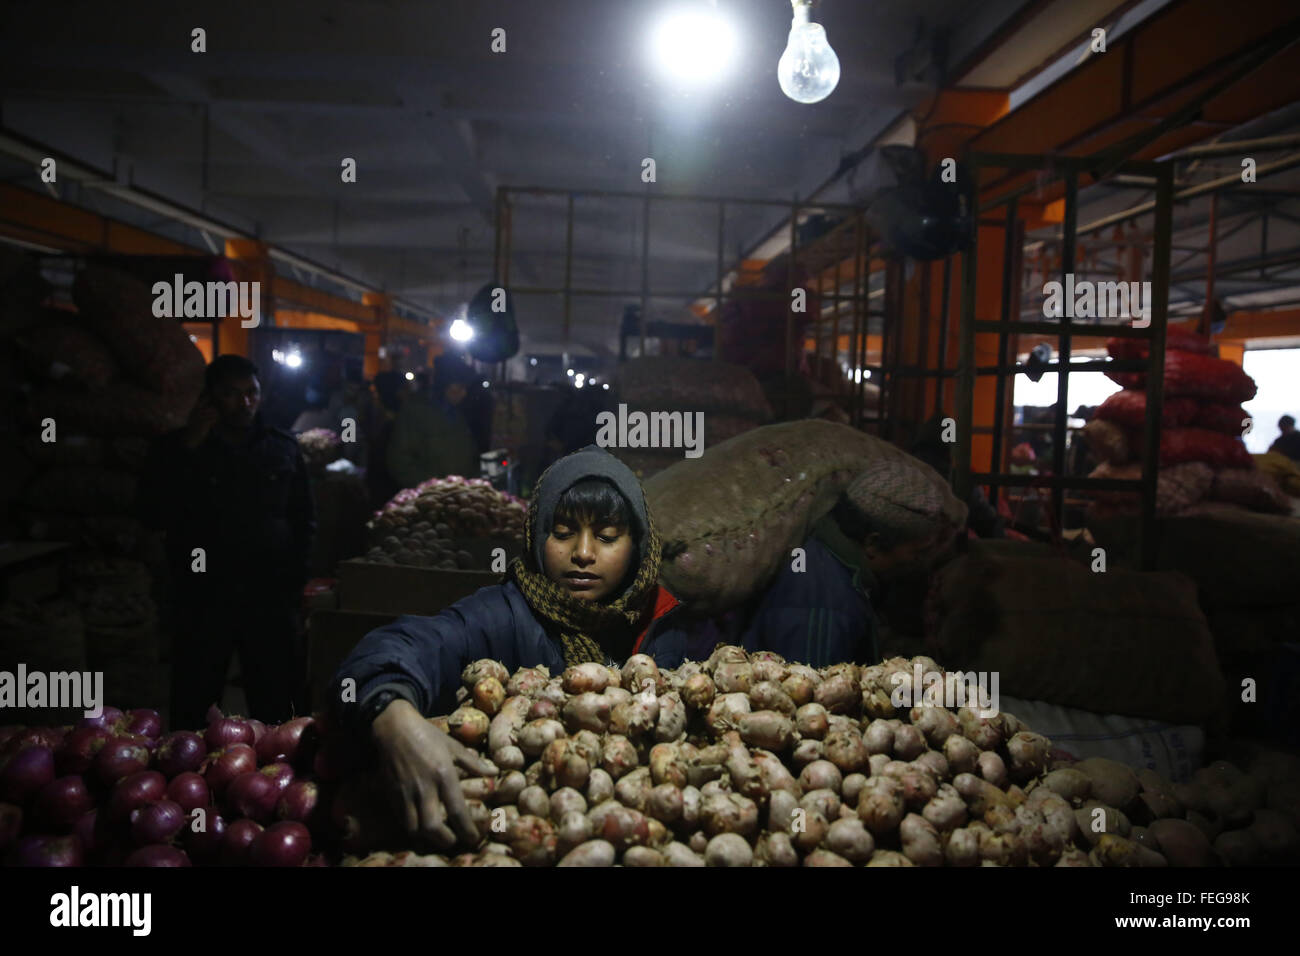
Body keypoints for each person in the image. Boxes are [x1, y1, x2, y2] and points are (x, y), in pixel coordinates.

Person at [330, 446, 687, 848]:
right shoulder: (500, 614)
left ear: (637, 544)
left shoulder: (664, 623)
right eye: (563, 533)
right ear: (536, 536)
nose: (583, 553)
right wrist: (389, 711)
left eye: (606, 536)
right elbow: (402, 644)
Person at [138, 355, 315, 730]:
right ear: (209, 398)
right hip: (203, 592)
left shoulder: (282, 446)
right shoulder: (178, 449)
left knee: (278, 699)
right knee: (195, 699)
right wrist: (189, 444)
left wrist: (296, 582)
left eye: (251, 393)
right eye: (231, 394)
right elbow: (152, 511)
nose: (244, 403)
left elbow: (304, 519)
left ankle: (277, 776)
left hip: (269, 591)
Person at [386, 354, 481, 488]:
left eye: (465, 388)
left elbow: (469, 457)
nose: (463, 393)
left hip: (457, 498)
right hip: (428, 500)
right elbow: (400, 462)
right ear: (444, 385)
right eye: (459, 387)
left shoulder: (459, 415)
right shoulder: (415, 412)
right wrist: (434, 488)